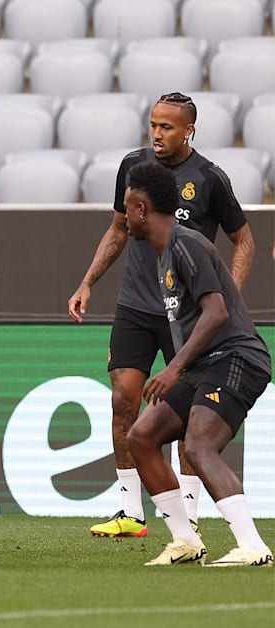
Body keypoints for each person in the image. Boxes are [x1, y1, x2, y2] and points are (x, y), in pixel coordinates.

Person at [68, 92, 254, 539]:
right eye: (153, 124)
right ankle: (132, 512)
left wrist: (226, 296)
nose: (157, 133)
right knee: (122, 401)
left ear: (189, 130)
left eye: (167, 126)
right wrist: (87, 281)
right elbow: (117, 229)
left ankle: (188, 515)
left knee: (188, 414)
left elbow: (244, 241)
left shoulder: (209, 178)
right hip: (135, 305)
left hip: (185, 317)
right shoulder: (133, 167)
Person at [120, 162, 272, 567]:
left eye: (127, 206)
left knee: (199, 445)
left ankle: (252, 546)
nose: (123, 214)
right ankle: (185, 540)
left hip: (236, 357)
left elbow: (216, 311)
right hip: (204, 365)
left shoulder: (186, 244)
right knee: (142, 436)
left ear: (141, 209)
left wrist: (174, 368)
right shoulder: (164, 255)